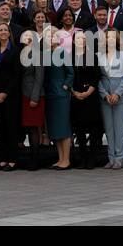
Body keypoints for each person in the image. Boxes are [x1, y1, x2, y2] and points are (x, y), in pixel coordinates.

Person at [0, 22, 21, 170]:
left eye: (5, 30)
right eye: (0, 30)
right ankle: (2, 159)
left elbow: (17, 75)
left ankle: (12, 159)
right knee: (0, 127)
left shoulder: (15, 50)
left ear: (9, 33)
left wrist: (5, 93)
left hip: (11, 95)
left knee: (11, 127)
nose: (2, 32)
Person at [97, 27, 123, 169]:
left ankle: (119, 157)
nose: (109, 40)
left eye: (112, 37)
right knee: (109, 129)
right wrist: (105, 94)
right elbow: (97, 78)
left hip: (121, 97)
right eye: (107, 37)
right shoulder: (98, 55)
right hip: (105, 96)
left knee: (119, 128)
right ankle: (111, 157)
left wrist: (117, 93)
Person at [69, 31, 101, 168]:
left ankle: (92, 158)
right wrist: (74, 92)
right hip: (75, 97)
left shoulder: (92, 56)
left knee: (93, 129)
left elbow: (96, 76)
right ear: (74, 41)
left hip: (91, 97)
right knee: (80, 130)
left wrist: (88, 92)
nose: (81, 40)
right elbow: (68, 76)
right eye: (78, 38)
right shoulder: (69, 57)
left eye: (83, 38)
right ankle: (82, 158)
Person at [44, 26, 74, 170]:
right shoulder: (45, 54)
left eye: (53, 36)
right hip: (50, 95)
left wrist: (66, 86)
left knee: (64, 128)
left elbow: (70, 72)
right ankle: (60, 158)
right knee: (55, 129)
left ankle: (66, 159)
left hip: (61, 95)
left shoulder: (62, 52)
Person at [19, 20, 47, 170]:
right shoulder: (21, 53)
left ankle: (35, 159)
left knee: (35, 128)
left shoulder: (38, 54)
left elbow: (39, 77)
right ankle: (31, 156)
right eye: (26, 36)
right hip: (23, 95)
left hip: (34, 96)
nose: (28, 38)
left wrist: (35, 98)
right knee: (28, 128)